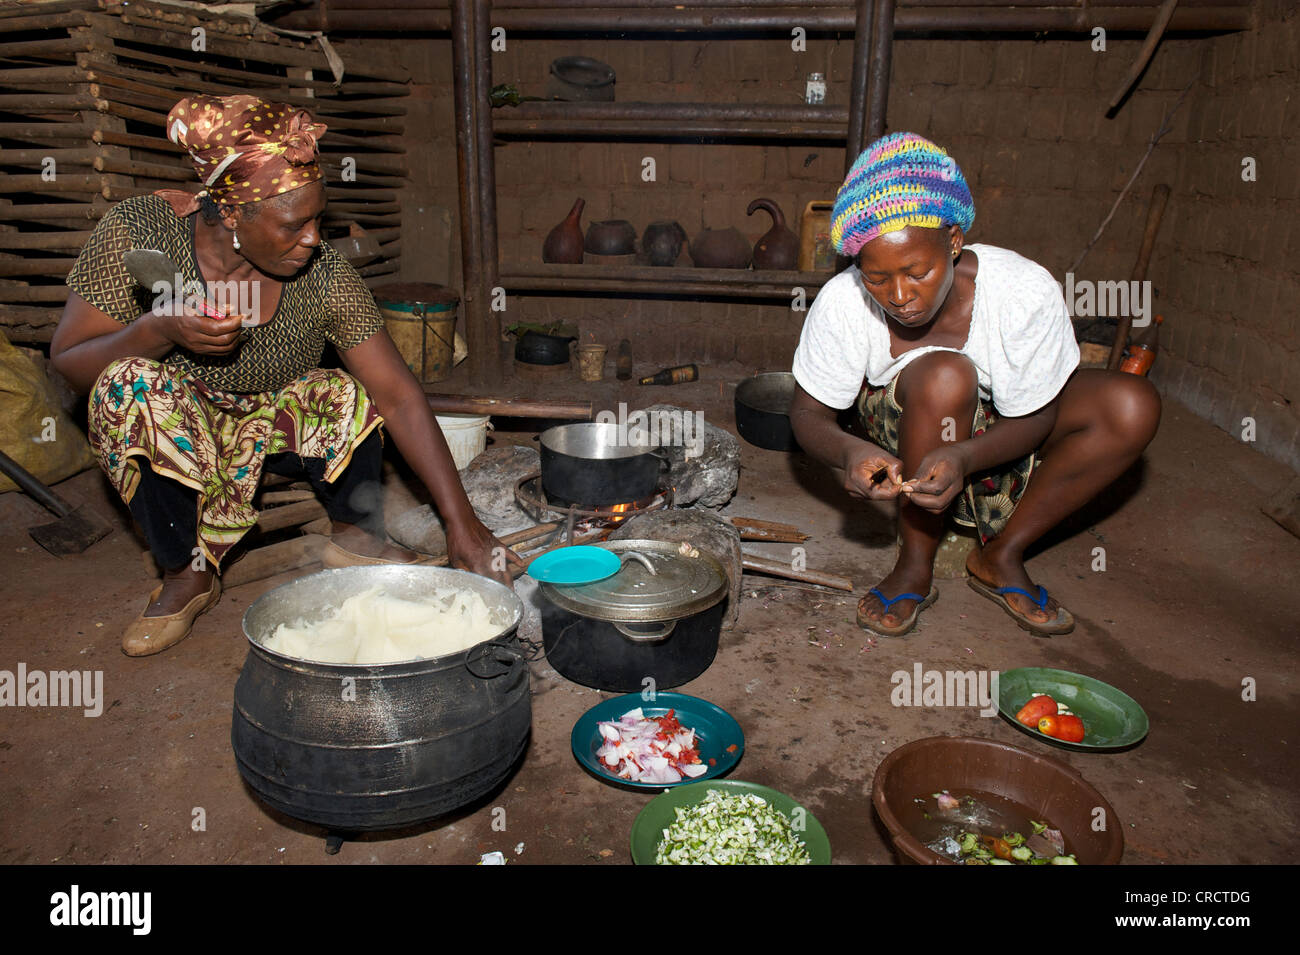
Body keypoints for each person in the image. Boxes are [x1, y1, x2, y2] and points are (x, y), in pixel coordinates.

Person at [51, 94, 522, 656]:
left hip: (270, 429)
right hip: (175, 429)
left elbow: (398, 396)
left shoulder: (323, 276)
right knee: (128, 383)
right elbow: (72, 363)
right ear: (230, 214)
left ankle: (355, 537)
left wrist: (462, 526)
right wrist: (156, 331)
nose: (313, 238)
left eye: (318, 218)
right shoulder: (140, 231)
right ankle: (186, 573)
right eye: (294, 224)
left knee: (344, 390)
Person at [790, 132, 1160, 638]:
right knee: (947, 373)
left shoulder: (1023, 290)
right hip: (903, 421)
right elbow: (807, 415)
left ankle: (1000, 556)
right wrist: (848, 452)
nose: (899, 295)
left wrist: (964, 456)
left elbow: (1037, 416)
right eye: (877, 279)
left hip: (1006, 431)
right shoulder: (842, 302)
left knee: (1131, 405)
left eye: (917, 271)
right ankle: (914, 566)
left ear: (954, 241)